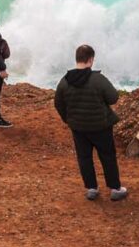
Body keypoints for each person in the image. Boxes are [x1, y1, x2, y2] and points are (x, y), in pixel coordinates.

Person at [54, 44, 129, 201]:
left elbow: (58, 104)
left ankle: (92, 188)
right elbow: (113, 98)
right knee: (107, 156)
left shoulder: (65, 81)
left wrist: (69, 119)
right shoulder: (98, 79)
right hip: (101, 126)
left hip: (78, 128)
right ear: (91, 59)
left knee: (84, 157)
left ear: (77, 59)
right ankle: (115, 189)